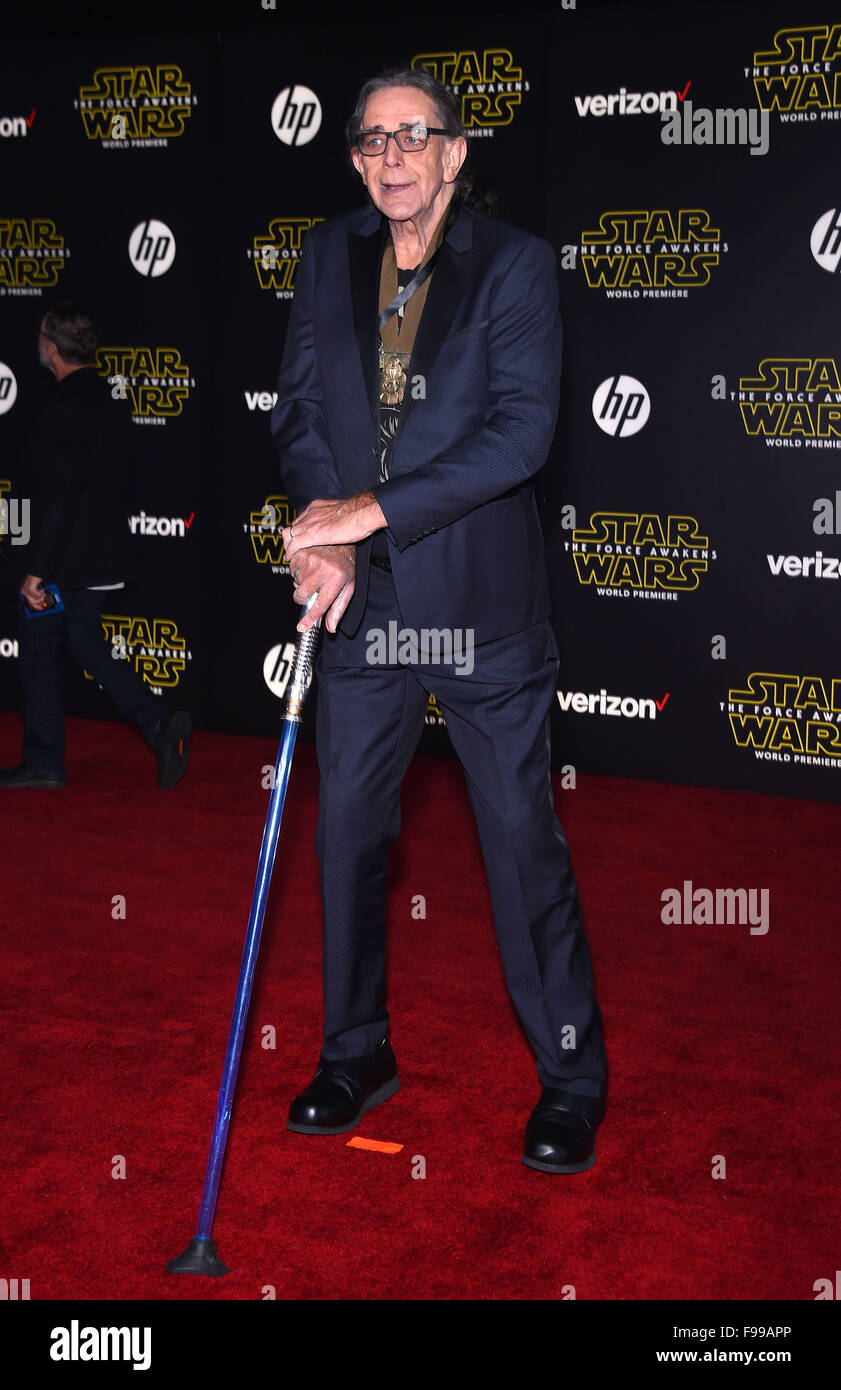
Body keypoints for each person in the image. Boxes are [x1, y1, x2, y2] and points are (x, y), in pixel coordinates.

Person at [272, 67, 607, 1173]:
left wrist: (364, 511)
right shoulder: (324, 256)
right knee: (344, 836)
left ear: (454, 154)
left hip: (479, 611)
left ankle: (569, 1072)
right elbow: (303, 417)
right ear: (358, 159)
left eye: (413, 136)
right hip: (366, 608)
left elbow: (520, 436)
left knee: (519, 842)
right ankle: (355, 1049)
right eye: (371, 141)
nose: (392, 157)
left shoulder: (514, 267)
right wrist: (330, 536)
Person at [0, 303, 191, 791]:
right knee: (84, 643)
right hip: (98, 559)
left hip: (61, 563)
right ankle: (157, 722)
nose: (39, 342)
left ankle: (44, 760)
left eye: (43, 336)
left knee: (40, 653)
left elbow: (58, 500)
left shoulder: (61, 409)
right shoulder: (110, 400)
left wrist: (36, 571)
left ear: (54, 348)